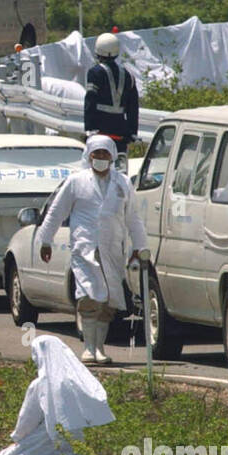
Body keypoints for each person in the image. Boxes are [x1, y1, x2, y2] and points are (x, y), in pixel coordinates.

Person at [37, 134, 149, 366]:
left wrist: (139, 247)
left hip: (112, 251)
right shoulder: (76, 182)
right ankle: (88, 348)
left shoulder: (122, 183)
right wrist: (45, 241)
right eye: (95, 154)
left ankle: (99, 348)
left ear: (112, 157)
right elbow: (57, 212)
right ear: (88, 156)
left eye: (104, 154)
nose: (100, 158)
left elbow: (134, 219)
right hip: (84, 248)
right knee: (88, 296)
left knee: (108, 299)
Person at [84, 32, 139, 151]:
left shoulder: (95, 73)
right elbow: (133, 106)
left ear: (98, 50)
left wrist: (89, 128)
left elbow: (90, 100)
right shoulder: (129, 75)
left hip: (100, 129)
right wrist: (133, 131)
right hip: (121, 132)